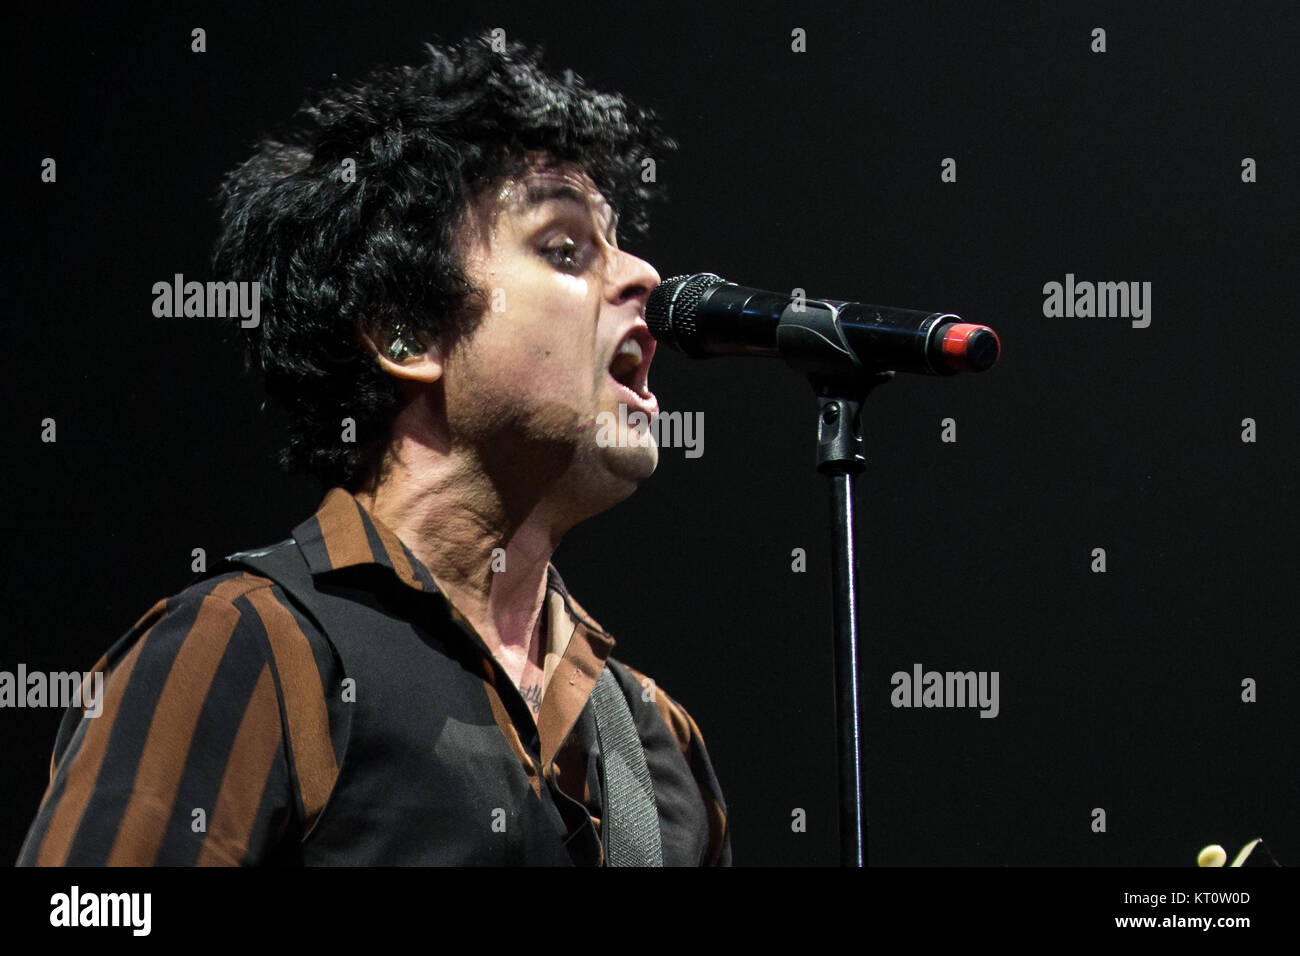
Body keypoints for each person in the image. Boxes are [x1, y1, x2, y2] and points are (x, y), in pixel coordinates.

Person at [17, 34, 730, 866]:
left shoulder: (656, 743)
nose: (642, 274)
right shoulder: (244, 650)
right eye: (563, 249)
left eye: (618, 241)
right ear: (407, 330)